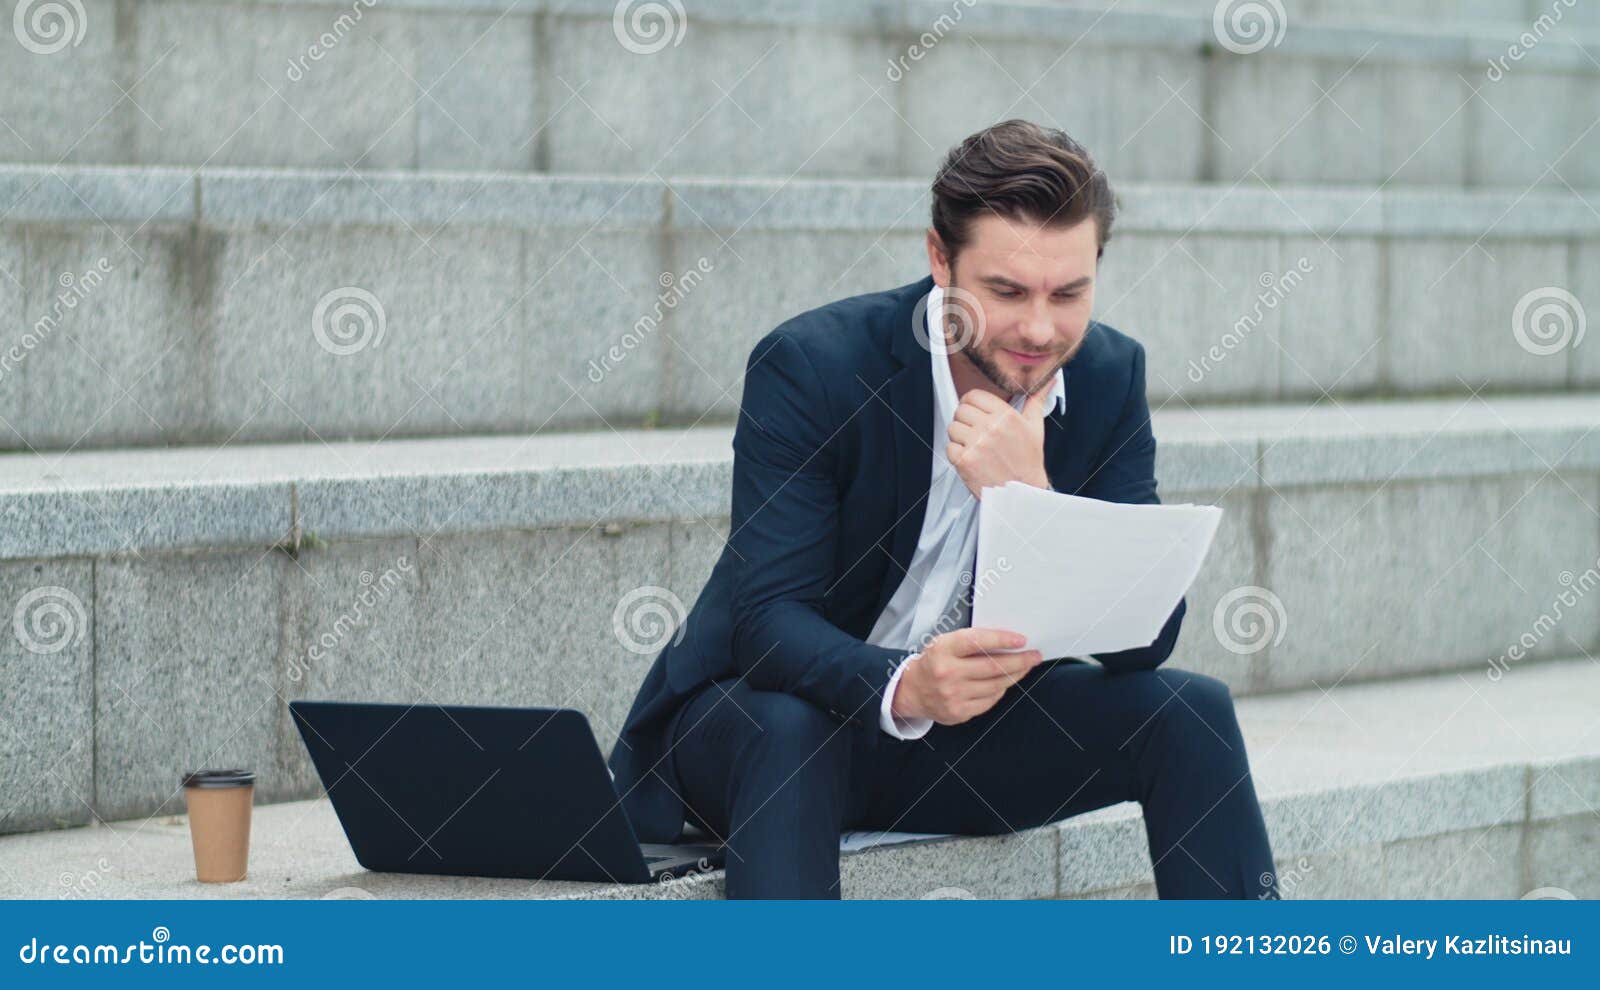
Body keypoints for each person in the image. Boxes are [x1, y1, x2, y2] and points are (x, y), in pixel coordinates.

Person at [608, 118, 1277, 899]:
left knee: (1189, 714)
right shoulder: (815, 367)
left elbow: (1143, 642)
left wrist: (1031, 500)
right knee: (788, 726)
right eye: (1005, 291)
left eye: (1069, 293)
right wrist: (905, 685)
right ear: (939, 260)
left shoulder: (1107, 374)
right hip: (775, 729)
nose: (1038, 328)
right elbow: (767, 624)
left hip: (967, 738)